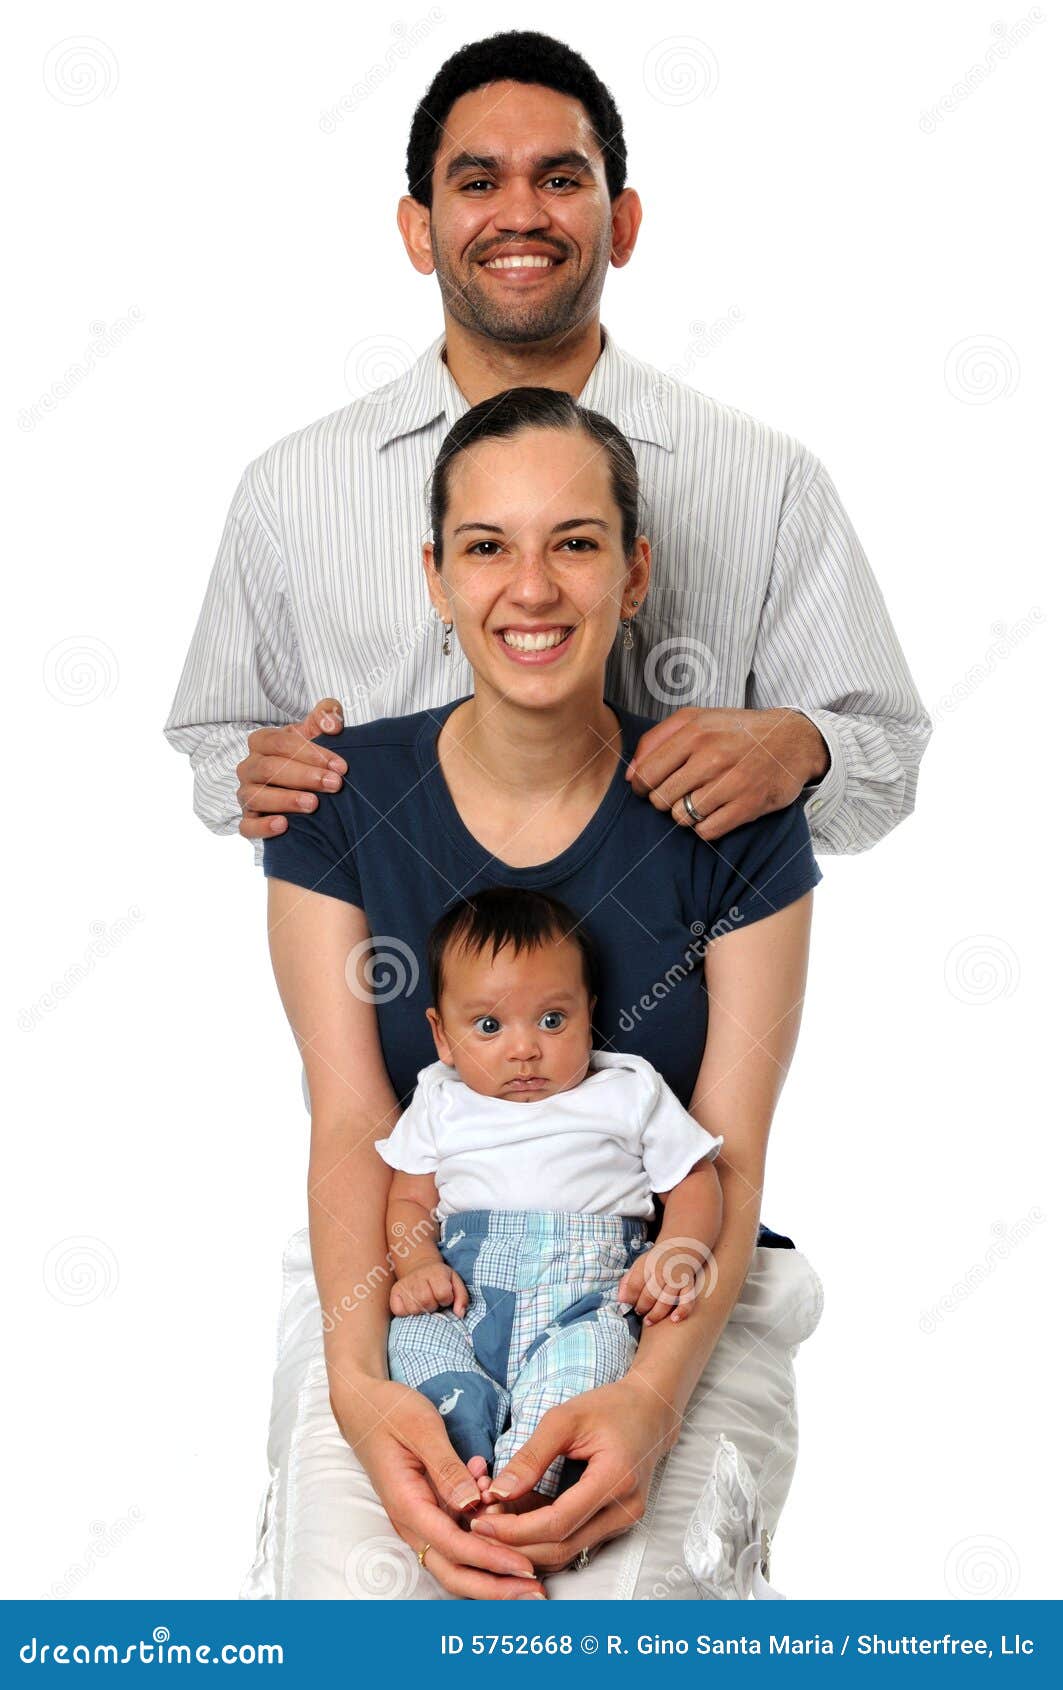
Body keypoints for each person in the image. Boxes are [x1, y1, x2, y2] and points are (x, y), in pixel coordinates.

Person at [248, 383, 824, 1599]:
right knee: (352, 1615)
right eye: (485, 547)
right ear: (434, 577)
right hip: (404, 1274)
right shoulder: (335, 798)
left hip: (666, 1289)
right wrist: (362, 1388)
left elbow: (728, 1151)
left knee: (625, 1621)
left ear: (634, 571)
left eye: (574, 543)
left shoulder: (732, 812)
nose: (531, 588)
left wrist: (648, 1400)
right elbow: (353, 1123)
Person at [164, 30, 930, 868]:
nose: (521, 214)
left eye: (560, 180)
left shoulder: (769, 479)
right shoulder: (291, 486)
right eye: (478, 182)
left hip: (675, 947)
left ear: (622, 224)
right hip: (384, 947)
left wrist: (805, 748)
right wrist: (250, 774)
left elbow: (887, 762)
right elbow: (218, 741)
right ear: (418, 231)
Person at [377, 885, 726, 1506]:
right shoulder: (440, 1099)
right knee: (415, 1341)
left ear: (589, 1012)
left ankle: (524, 1485)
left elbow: (695, 1181)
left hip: (584, 1299)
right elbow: (408, 1201)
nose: (525, 1049)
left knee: (586, 1368)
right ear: (442, 1035)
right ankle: (461, 1463)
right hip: (468, 1294)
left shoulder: (627, 1089)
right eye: (488, 1026)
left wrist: (677, 1249)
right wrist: (418, 1264)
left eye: (553, 1020)